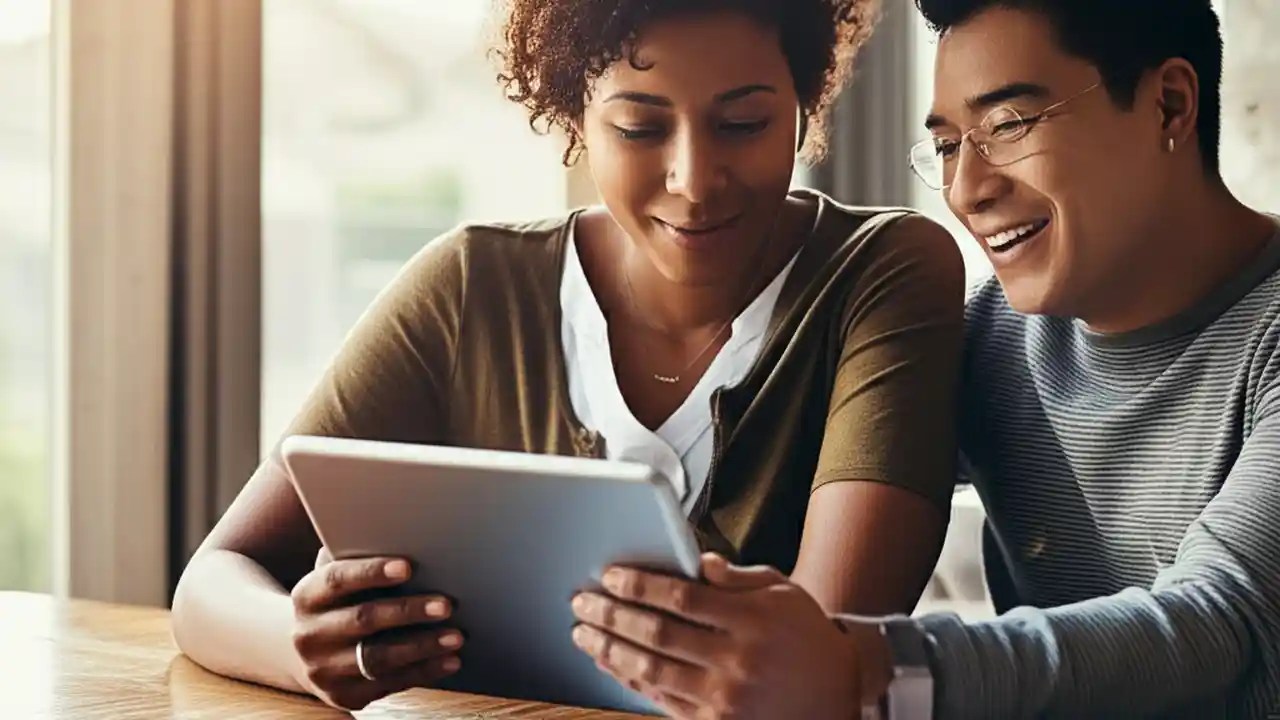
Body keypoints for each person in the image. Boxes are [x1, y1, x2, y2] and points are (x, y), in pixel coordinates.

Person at [171, 0, 966, 715]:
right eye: (640, 128)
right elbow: (212, 581)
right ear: (576, 118)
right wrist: (301, 646)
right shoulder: (468, 288)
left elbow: (825, 651)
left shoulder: (884, 273)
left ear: (804, 104)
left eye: (743, 124)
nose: (694, 181)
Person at [570, 1, 1280, 717]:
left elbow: (1225, 620)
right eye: (946, 147)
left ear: (1169, 105)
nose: (969, 190)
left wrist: (868, 673)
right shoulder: (992, 341)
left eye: (1008, 126)